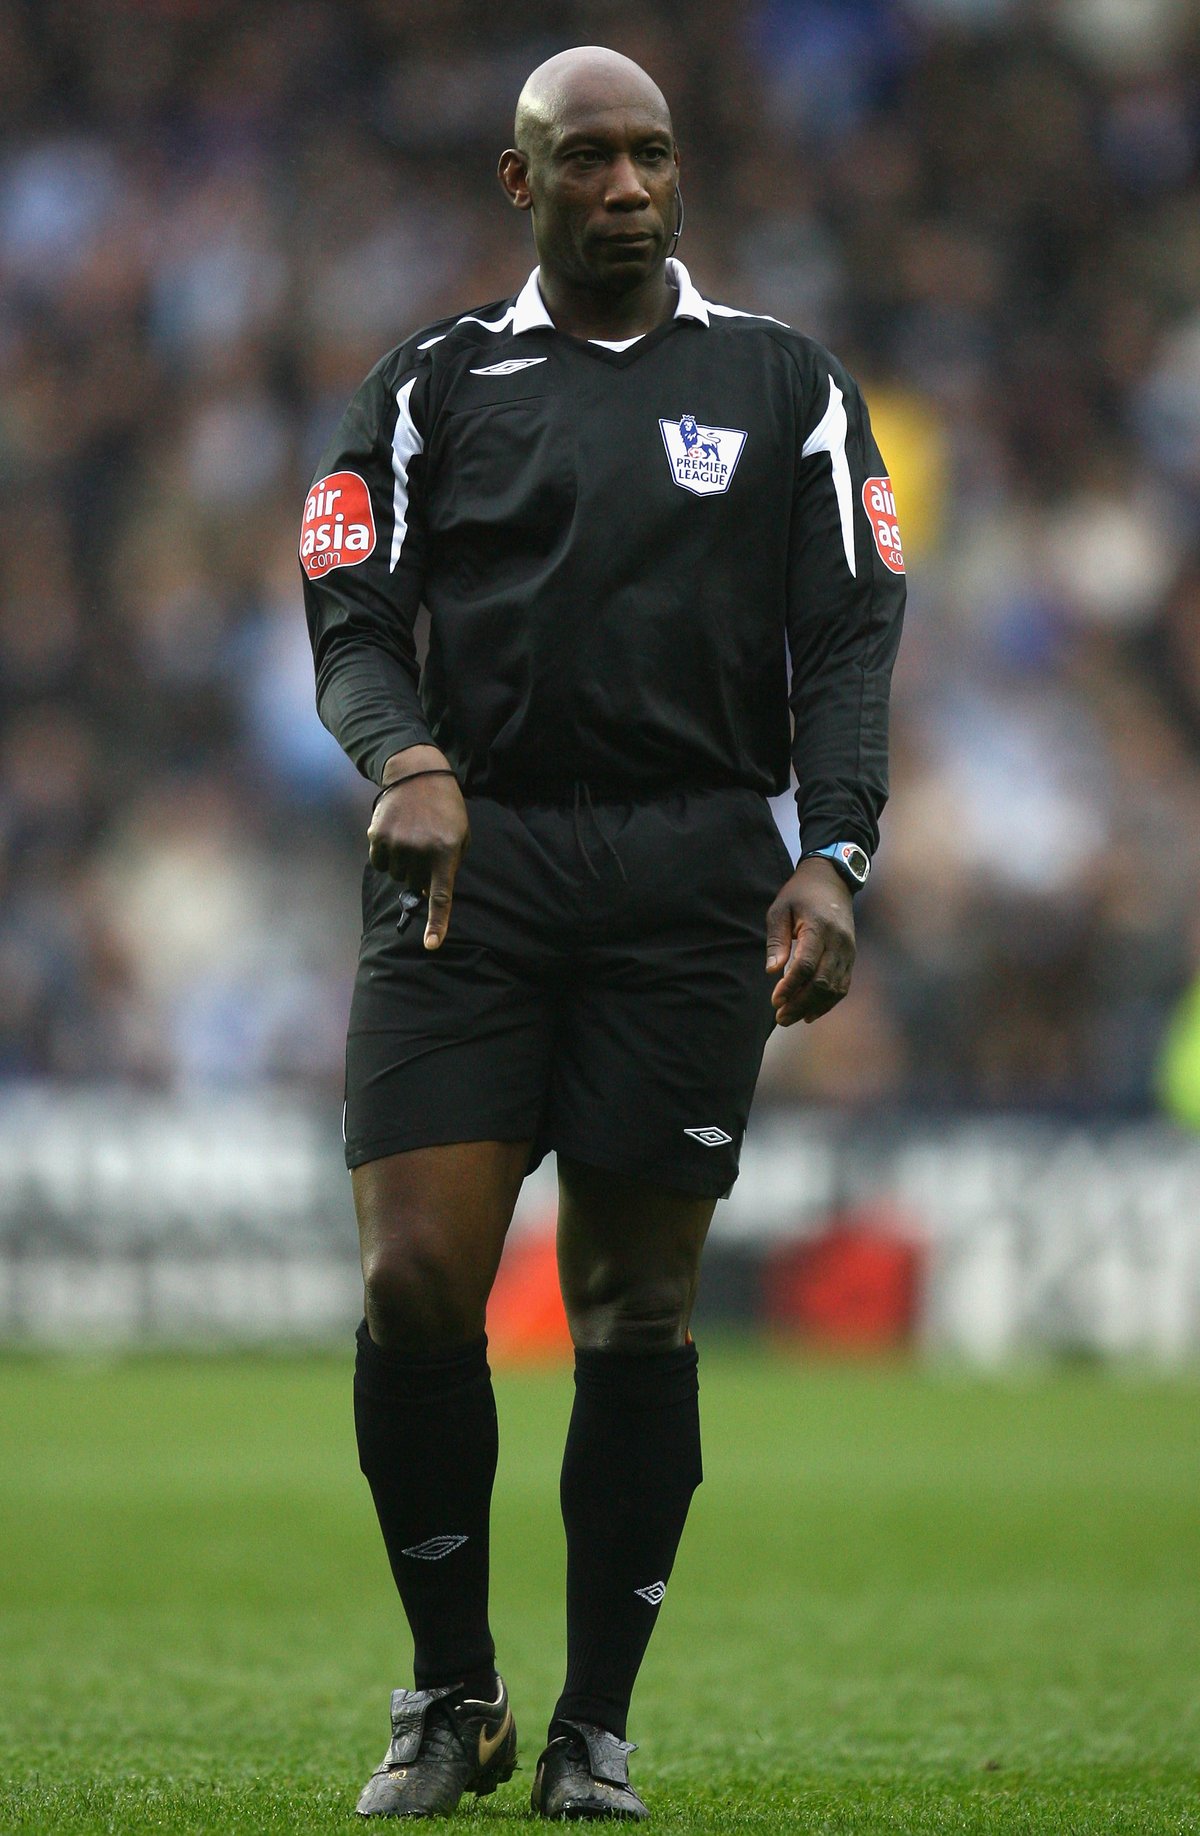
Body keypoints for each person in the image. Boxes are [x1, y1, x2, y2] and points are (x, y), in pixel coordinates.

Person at [300, 44, 905, 1823]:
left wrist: (837, 859)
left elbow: (850, 645)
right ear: (522, 183)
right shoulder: (428, 386)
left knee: (635, 1305)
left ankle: (595, 1732)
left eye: (651, 156)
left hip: (690, 875)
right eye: (588, 160)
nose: (627, 187)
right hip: (465, 873)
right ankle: (449, 1691)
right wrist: (402, 757)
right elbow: (347, 604)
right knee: (417, 1279)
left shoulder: (790, 385)